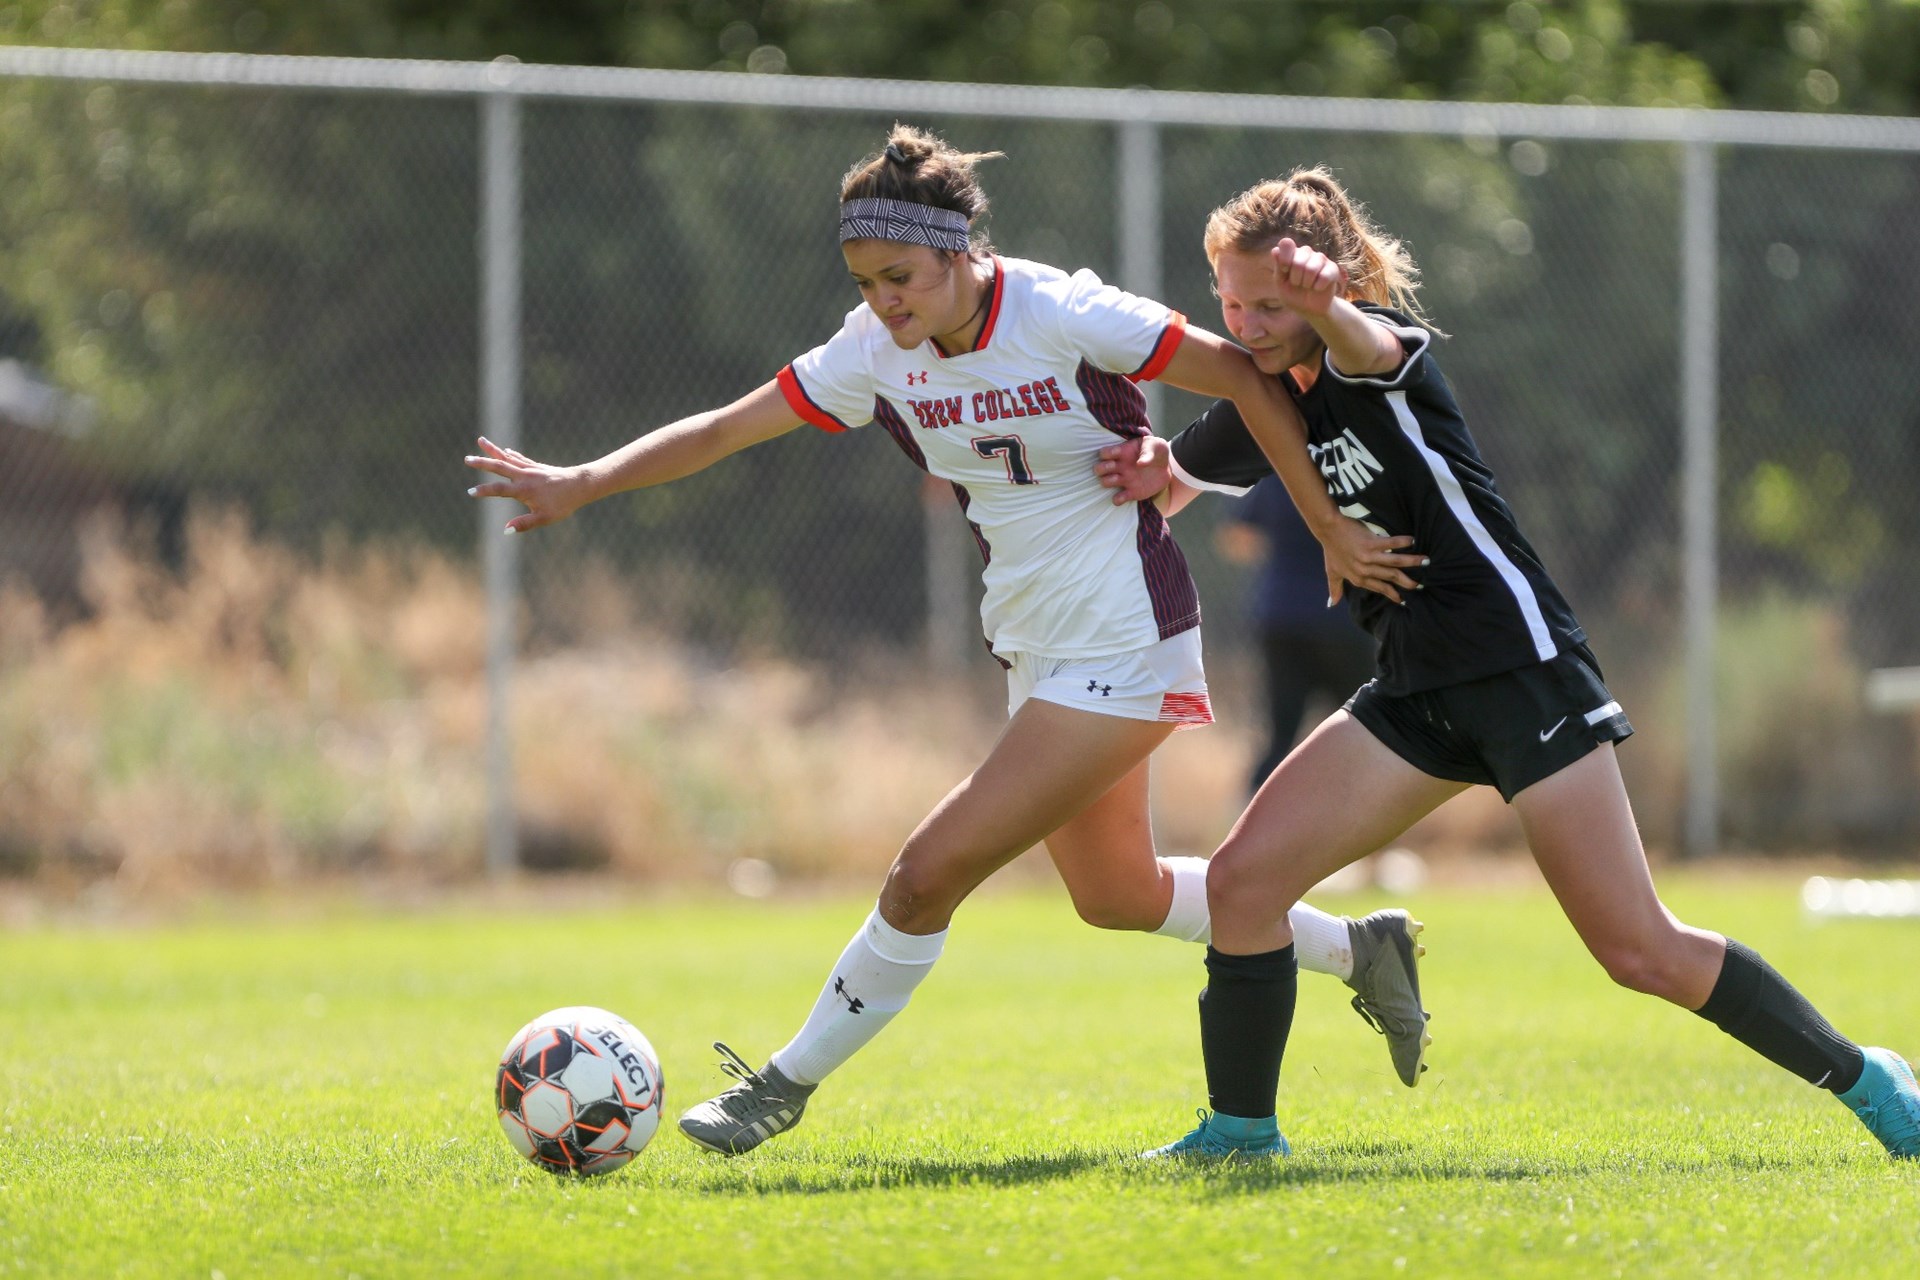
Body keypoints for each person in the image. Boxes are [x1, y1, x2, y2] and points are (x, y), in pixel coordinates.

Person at [465, 128, 1436, 1158]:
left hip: (1127, 632)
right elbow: (724, 427)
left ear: (963, 249)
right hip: (1035, 643)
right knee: (1118, 895)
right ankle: (1359, 946)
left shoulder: (1059, 310)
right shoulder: (872, 351)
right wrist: (585, 480)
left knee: (923, 876)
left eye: (901, 277)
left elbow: (1246, 373)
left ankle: (781, 1083)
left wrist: (1320, 517)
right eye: (864, 280)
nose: (885, 301)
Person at [1092, 167, 1920, 1161]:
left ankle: (1869, 1077)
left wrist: (1327, 308)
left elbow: (1370, 342)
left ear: (1336, 283)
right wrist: (1153, 473)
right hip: (1412, 693)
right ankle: (1242, 1131)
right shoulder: (1265, 396)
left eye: (1271, 302)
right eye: (1233, 303)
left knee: (1636, 948)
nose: (1251, 324)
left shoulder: (1376, 353)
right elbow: (1182, 474)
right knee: (1242, 884)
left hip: (1517, 668)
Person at [1211, 476, 1376, 794]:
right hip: (1345, 620)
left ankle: (1248, 831)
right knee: (1361, 734)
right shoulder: (1355, 466)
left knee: (1279, 737)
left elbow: (1236, 536)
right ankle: (1359, 836)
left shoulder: (1277, 470)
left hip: (1282, 614)